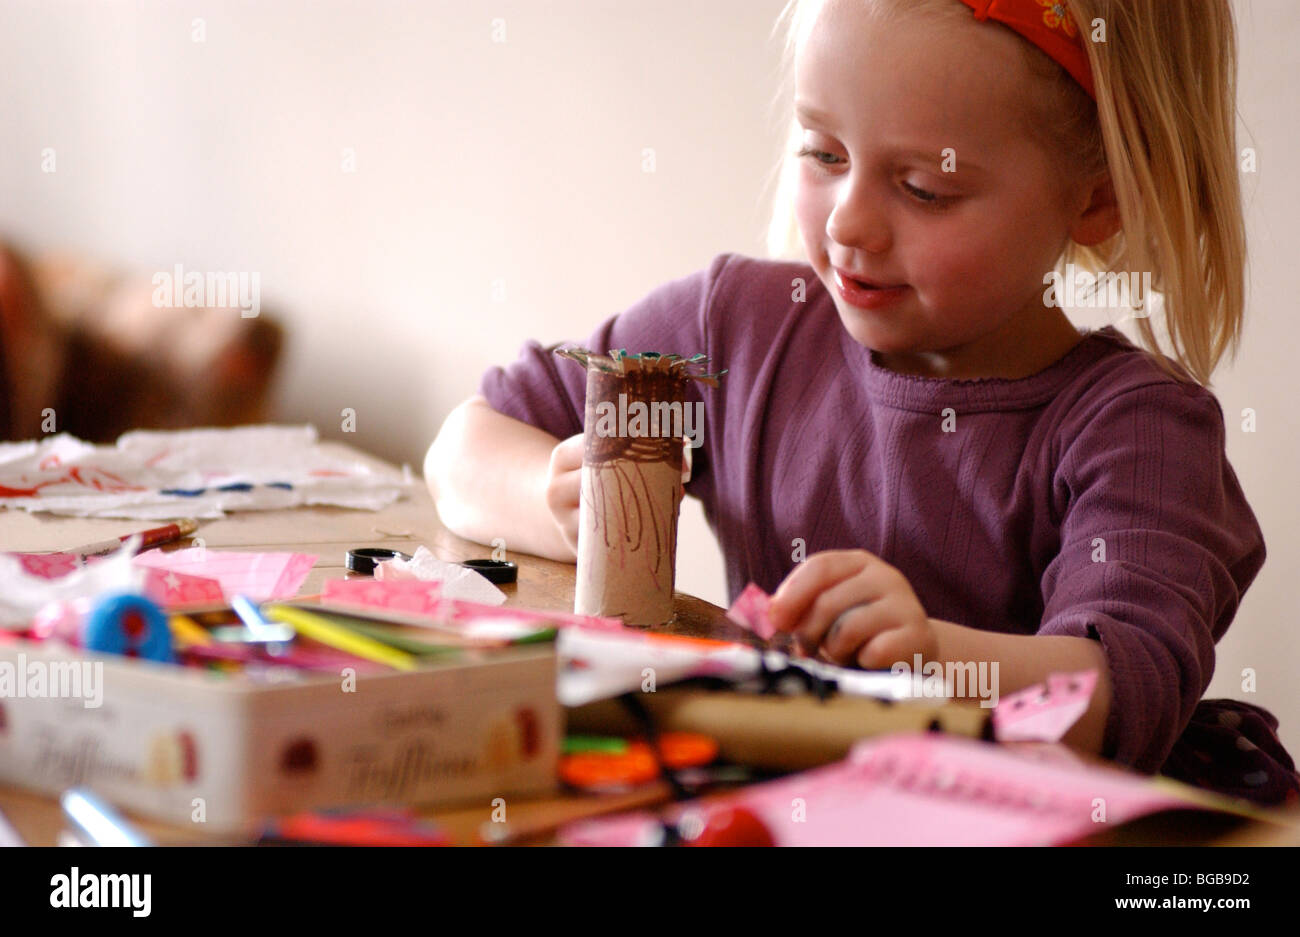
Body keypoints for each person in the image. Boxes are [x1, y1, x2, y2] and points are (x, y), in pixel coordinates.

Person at [425, 0, 1298, 805]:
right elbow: (463, 448)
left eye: (924, 188)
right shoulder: (734, 329)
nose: (848, 222)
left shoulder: (1137, 430)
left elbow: (1113, 698)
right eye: (824, 154)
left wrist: (930, 662)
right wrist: (552, 494)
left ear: (1096, 197)